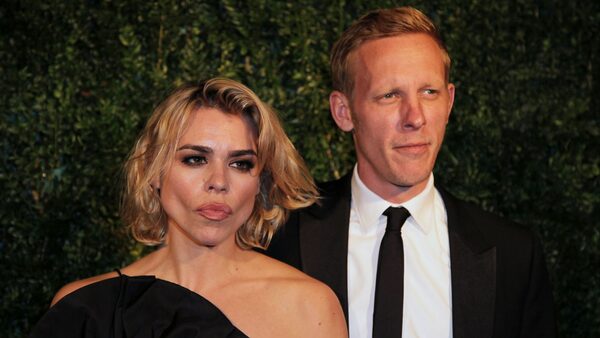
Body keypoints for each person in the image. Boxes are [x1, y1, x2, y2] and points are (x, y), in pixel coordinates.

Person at [267, 7, 556, 338]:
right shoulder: (280, 236)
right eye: (390, 95)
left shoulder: (513, 255)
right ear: (344, 112)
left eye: (429, 92)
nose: (415, 118)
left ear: (449, 102)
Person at [31, 78, 348, 338]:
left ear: (260, 182)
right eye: (195, 159)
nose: (218, 181)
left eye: (240, 163)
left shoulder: (309, 307)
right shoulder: (89, 307)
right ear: (154, 173)